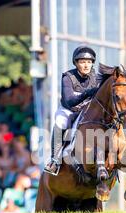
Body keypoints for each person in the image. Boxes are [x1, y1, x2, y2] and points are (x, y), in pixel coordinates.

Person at [43, 45, 99, 175]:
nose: (86, 65)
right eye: (82, 62)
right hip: (69, 110)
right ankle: (55, 160)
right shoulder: (67, 77)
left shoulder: (96, 77)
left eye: (89, 62)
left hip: (87, 110)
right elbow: (69, 100)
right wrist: (86, 93)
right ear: (76, 63)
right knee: (60, 123)